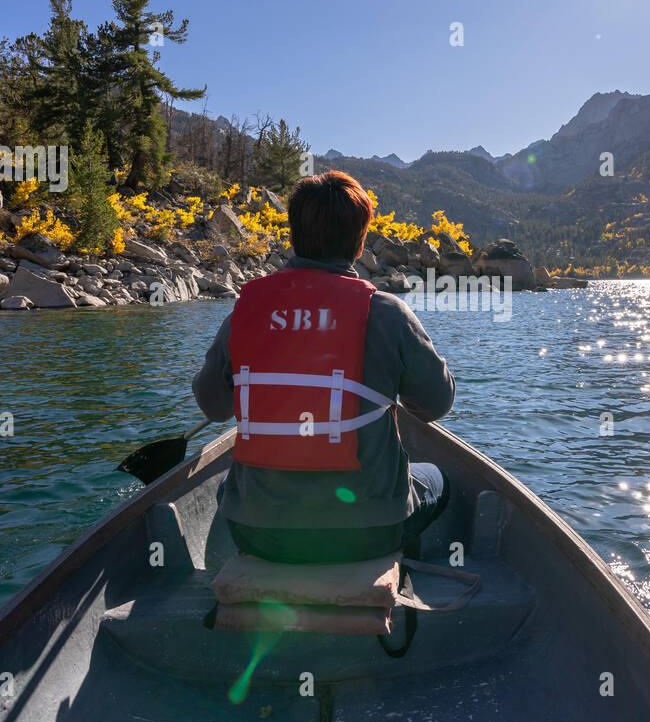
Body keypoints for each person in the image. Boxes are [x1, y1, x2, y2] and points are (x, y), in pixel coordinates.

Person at [193, 170, 455, 564]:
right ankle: (403, 582)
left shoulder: (244, 312)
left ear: (293, 233)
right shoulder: (387, 313)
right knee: (439, 481)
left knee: (226, 488)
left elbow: (213, 407)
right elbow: (435, 404)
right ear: (360, 239)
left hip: (257, 533)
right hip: (370, 534)